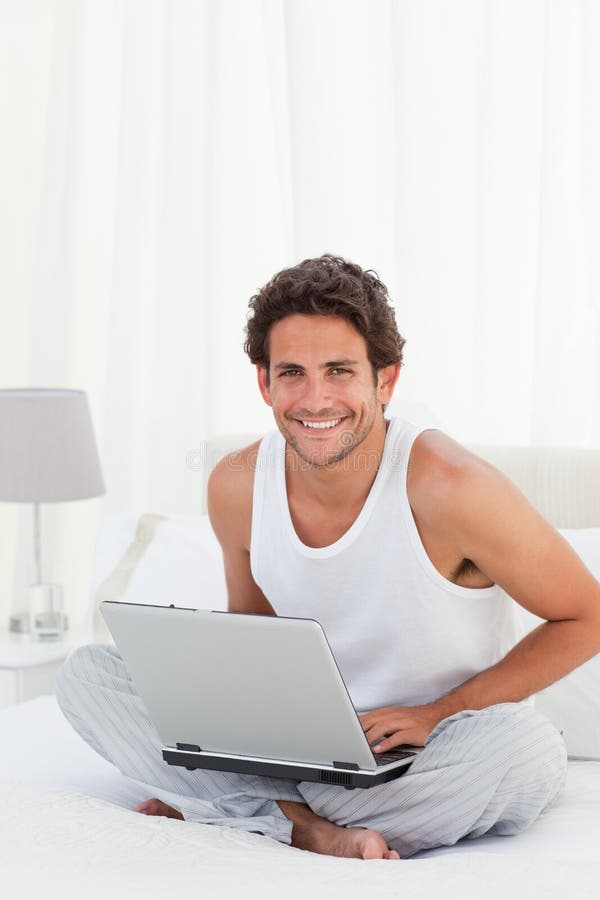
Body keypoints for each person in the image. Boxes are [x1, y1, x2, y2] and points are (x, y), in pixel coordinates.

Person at [57, 254, 600, 860]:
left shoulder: (451, 486)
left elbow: (588, 615)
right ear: (265, 384)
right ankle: (297, 823)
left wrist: (438, 712)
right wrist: (230, 724)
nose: (315, 400)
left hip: (435, 747)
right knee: (89, 675)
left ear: (385, 381)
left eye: (339, 371)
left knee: (526, 748)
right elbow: (255, 634)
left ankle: (239, 808)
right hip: (300, 748)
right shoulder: (236, 485)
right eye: (292, 373)